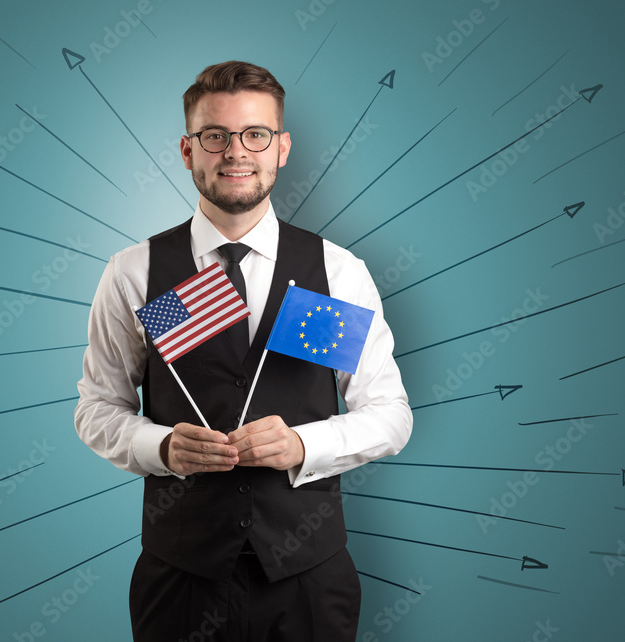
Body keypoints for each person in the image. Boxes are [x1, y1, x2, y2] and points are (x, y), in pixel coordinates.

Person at [75, 60, 411, 641]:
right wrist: (161, 446)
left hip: (308, 579)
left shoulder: (331, 273)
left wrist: (304, 442)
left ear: (281, 148)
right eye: (215, 136)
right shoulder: (137, 272)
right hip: (179, 577)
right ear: (187, 150)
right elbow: (97, 408)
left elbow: (389, 415)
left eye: (255, 135)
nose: (236, 152)